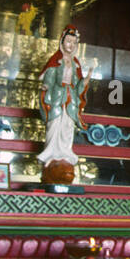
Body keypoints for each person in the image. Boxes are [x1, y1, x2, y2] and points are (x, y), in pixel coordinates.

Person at [38, 25, 91, 175]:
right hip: (56, 97)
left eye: (74, 42)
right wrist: (46, 86)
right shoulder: (56, 60)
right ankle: (50, 155)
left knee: (67, 128)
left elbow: (77, 84)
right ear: (62, 41)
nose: (71, 45)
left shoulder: (75, 63)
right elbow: (49, 76)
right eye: (68, 41)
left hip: (70, 99)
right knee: (54, 126)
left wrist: (84, 82)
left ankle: (65, 156)